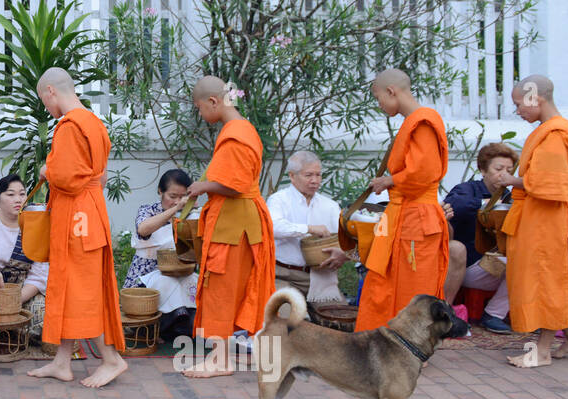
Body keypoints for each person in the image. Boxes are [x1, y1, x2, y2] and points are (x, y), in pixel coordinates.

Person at [27, 67, 127, 389]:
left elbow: (66, 178)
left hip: (77, 218)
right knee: (73, 287)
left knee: (81, 291)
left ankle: (111, 359)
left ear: (51, 92)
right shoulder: (94, 123)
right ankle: (62, 361)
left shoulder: (70, 126)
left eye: (45, 101)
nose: (47, 108)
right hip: (90, 212)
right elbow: (100, 174)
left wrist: (46, 168)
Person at [184, 76, 276, 379]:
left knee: (220, 288)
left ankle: (221, 359)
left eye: (199, 109)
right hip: (239, 222)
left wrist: (201, 186)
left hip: (234, 224)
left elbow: (233, 185)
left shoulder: (235, 132)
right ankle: (221, 354)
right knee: (227, 288)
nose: (201, 115)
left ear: (213, 101)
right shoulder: (242, 129)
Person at [490, 76, 568, 367]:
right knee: (548, 280)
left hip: (548, 222)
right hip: (539, 219)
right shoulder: (547, 131)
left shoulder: (555, 134)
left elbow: (549, 184)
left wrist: (510, 180)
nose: (518, 111)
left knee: (545, 282)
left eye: (519, 104)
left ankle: (542, 351)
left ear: (535, 98)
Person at [356, 69, 449, 332]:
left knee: (414, 283)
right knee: (387, 279)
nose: (379, 104)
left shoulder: (423, 121)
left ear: (391, 91)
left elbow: (424, 172)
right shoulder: (414, 121)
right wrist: (392, 181)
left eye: (378, 98)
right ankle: (389, 339)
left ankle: (414, 343)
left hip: (417, 217)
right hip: (403, 213)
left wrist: (389, 181)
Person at [443, 142, 516, 333]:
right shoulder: (468, 189)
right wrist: (490, 204)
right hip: (464, 265)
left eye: (509, 170)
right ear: (483, 170)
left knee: (525, 262)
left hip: (494, 264)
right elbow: (456, 204)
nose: (504, 174)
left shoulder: (512, 196)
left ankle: (494, 314)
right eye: (498, 168)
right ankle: (445, 313)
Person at [124, 168, 197, 345]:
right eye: (172, 196)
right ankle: (165, 327)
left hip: (181, 273)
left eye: (182, 197)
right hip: (144, 279)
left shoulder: (191, 214)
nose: (177, 201)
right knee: (165, 281)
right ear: (160, 191)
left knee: (195, 280)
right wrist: (175, 210)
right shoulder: (147, 210)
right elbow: (143, 229)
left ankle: (185, 327)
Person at [267, 150, 349, 303]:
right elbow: (273, 227)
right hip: (283, 275)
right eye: (309, 175)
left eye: (318, 175)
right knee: (287, 322)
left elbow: (346, 239)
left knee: (340, 321)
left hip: (321, 277)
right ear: (292, 176)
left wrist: (343, 254)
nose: (315, 180)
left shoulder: (330, 206)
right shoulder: (279, 200)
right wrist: (309, 228)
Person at [0, 174, 49, 340]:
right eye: (10, 194)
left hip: (22, 291)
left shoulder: (35, 228)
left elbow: (40, 274)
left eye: (22, 194)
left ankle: (10, 330)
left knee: (46, 323)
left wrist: (14, 301)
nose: (18, 199)